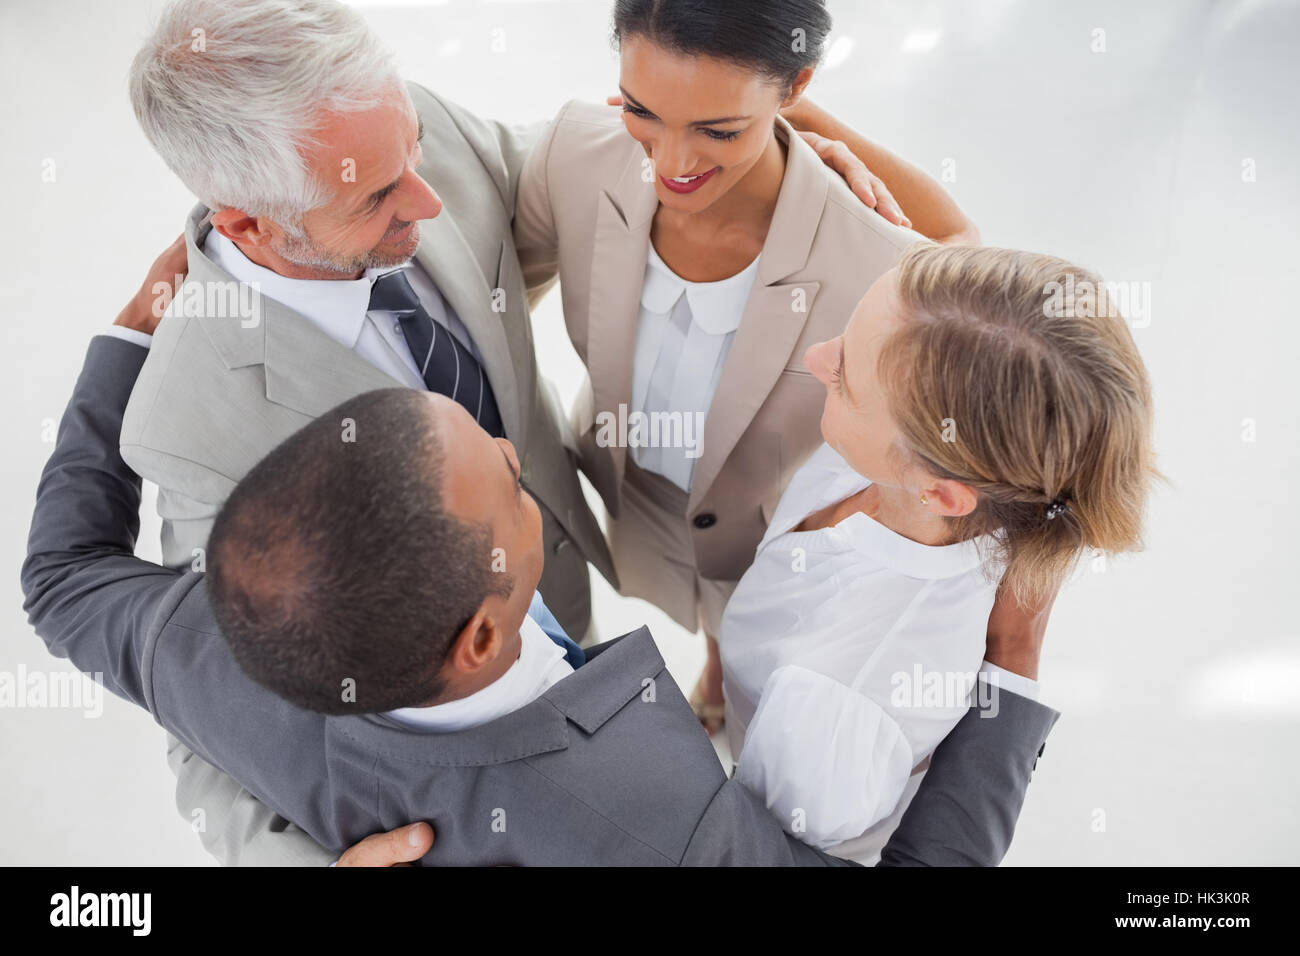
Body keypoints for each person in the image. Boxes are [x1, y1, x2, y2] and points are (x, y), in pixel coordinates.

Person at [115, 0, 899, 865]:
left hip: (565, 585)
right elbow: (195, 692)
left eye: (410, 146)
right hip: (466, 735)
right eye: (379, 195)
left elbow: (595, 167)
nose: (430, 193)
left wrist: (774, 156)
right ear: (247, 223)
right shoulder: (192, 417)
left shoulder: (404, 133)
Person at [20, 322, 1061, 865]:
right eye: (507, 484)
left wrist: (129, 335)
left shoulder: (190, 640)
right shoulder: (654, 823)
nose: (520, 452)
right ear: (481, 633)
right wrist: (1008, 671)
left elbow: (59, 580)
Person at [512, 0, 985, 730]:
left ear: (796, 86)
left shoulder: (877, 258)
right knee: (697, 592)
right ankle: (714, 648)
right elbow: (501, 293)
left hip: (770, 518)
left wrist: (798, 130)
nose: (670, 164)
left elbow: (964, 265)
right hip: (635, 480)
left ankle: (721, 662)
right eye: (644, 110)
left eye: (717, 128)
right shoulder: (573, 152)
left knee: (745, 619)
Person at [722, 244, 1160, 863]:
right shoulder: (915, 452)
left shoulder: (840, 701)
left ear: (942, 491)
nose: (818, 355)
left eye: (845, 375)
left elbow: (761, 842)